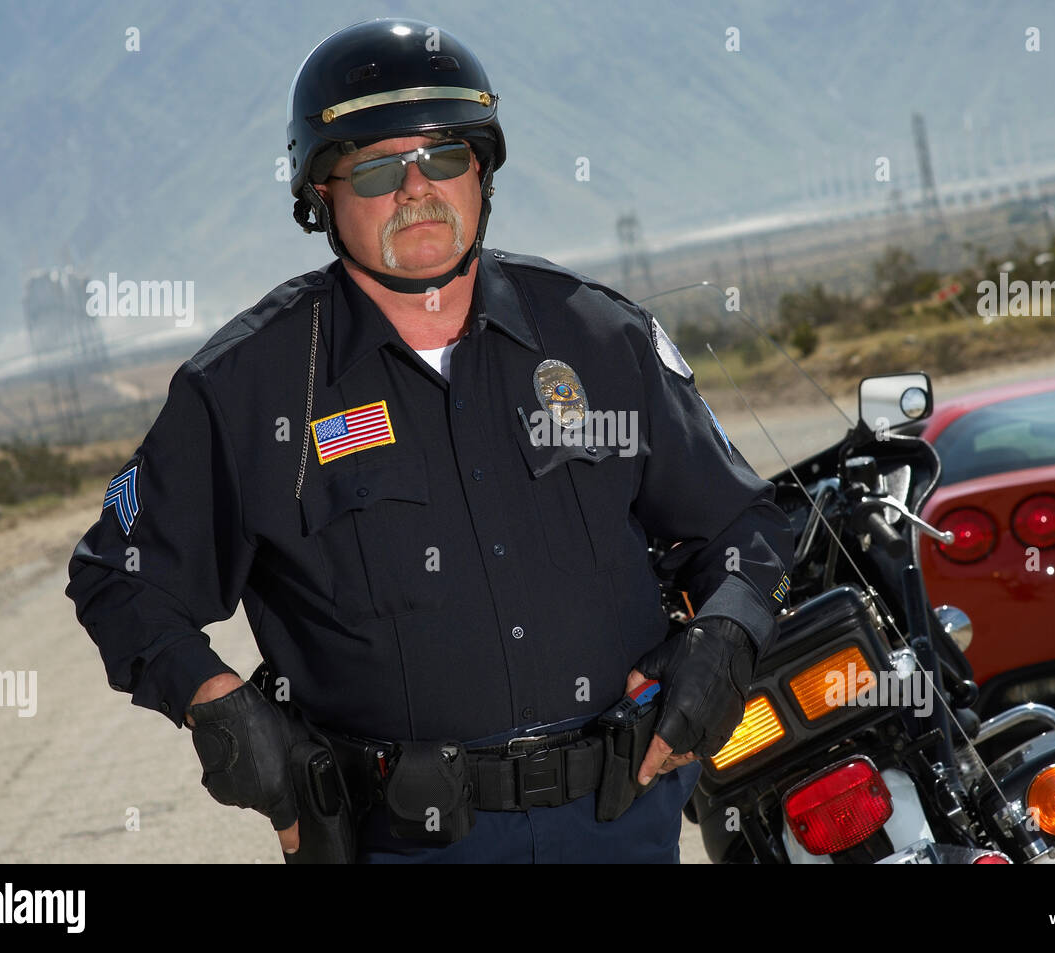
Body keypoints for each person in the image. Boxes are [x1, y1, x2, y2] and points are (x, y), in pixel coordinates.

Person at [66, 16, 793, 864]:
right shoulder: (246, 386)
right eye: (377, 167)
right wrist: (221, 708)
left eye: (445, 158)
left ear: (481, 174)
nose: (417, 188)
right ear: (319, 197)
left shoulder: (599, 338)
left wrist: (726, 638)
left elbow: (743, 525)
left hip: (619, 822)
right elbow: (120, 575)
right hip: (400, 839)